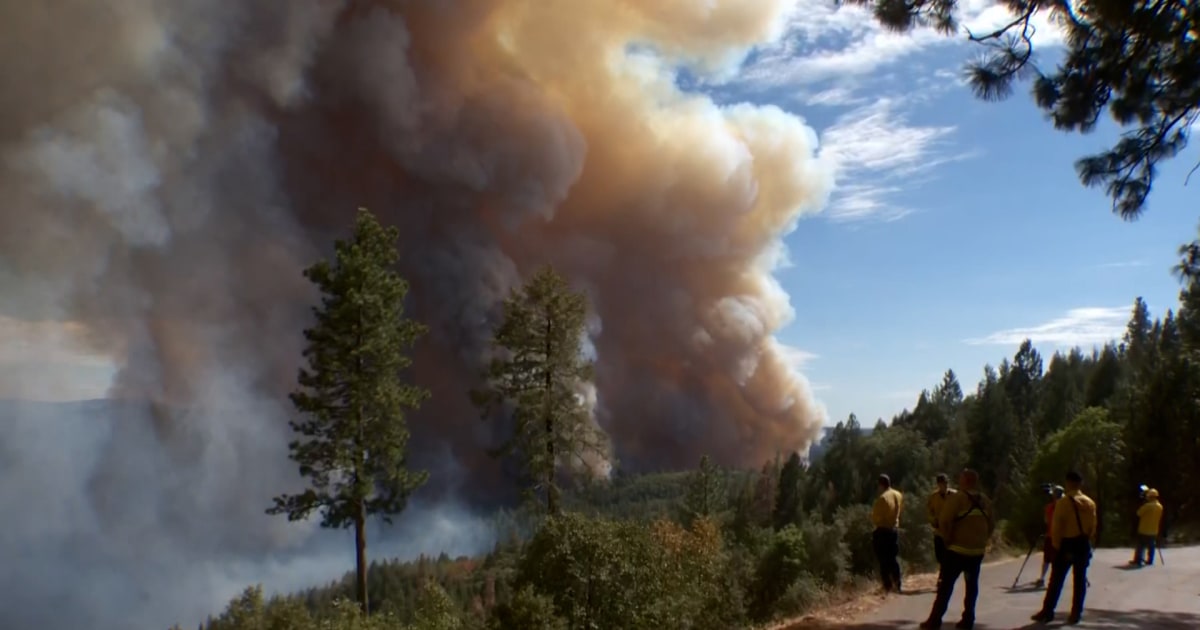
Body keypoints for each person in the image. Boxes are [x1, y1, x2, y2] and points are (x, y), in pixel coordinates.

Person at [919, 468, 993, 630]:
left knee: (945, 587)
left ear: (965, 481)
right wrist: (981, 541)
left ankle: (934, 621)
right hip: (977, 552)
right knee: (972, 586)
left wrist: (948, 540)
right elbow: (991, 524)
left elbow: (944, 521)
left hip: (957, 551)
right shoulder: (985, 500)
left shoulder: (957, 498)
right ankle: (968, 620)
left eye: (960, 478)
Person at [1031, 471, 1097, 625]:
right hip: (1083, 543)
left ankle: (1047, 612)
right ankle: (1076, 614)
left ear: (1068, 483)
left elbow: (1057, 527)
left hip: (1066, 544)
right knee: (1080, 580)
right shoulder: (1090, 503)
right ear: (1080, 484)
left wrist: (1056, 546)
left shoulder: (1063, 503)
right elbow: (1093, 527)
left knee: (1056, 580)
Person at [871, 473, 904, 593]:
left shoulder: (883, 498)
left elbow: (875, 517)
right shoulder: (898, 494)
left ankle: (887, 585)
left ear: (880, 485)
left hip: (883, 531)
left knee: (883, 560)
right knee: (893, 558)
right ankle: (898, 582)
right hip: (894, 529)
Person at [927, 473, 957, 571]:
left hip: (952, 532)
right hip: (939, 531)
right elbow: (929, 511)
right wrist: (933, 520)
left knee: (950, 555)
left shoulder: (955, 495)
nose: (943, 485)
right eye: (941, 483)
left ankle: (946, 575)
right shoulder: (934, 497)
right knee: (940, 556)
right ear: (938, 484)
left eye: (945, 483)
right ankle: (944, 572)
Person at [1035, 485, 1064, 587]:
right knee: (1058, 560)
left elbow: (1046, 521)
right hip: (1061, 538)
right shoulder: (1065, 507)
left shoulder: (1049, 507)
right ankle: (1051, 579)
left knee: (1047, 559)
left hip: (1052, 536)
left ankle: (1043, 578)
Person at [1131, 488, 1164, 567]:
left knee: (1141, 545)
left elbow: (1138, 513)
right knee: (1151, 545)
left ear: (1150, 497)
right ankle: (1150, 560)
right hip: (1154, 529)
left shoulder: (1147, 506)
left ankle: (1139, 559)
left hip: (1144, 528)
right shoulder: (1160, 506)